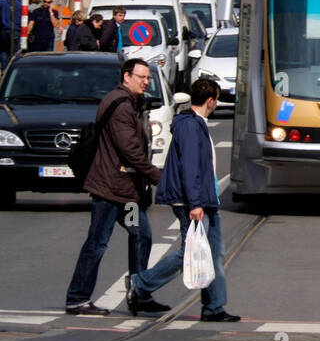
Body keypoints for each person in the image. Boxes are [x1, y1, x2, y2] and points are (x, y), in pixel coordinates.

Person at [127, 75, 239, 322]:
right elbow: (190, 167)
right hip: (193, 201)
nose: (217, 105)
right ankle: (141, 283)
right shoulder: (190, 126)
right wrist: (195, 204)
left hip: (206, 200)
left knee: (213, 253)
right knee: (190, 252)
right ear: (210, 100)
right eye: (216, 101)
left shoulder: (195, 123)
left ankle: (214, 307)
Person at [65, 57, 167, 315]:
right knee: (98, 242)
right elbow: (130, 151)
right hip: (110, 190)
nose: (146, 82)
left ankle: (138, 293)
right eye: (141, 77)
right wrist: (157, 176)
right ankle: (77, 298)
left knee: (141, 235)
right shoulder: (121, 105)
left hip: (126, 193)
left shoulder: (131, 103)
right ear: (126, 76)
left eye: (148, 78)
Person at [0, 0, 21, 68]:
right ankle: (14, 69)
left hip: (4, 30)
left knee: (3, 51)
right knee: (15, 53)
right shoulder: (21, 3)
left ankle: (4, 69)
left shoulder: (2, 2)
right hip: (16, 30)